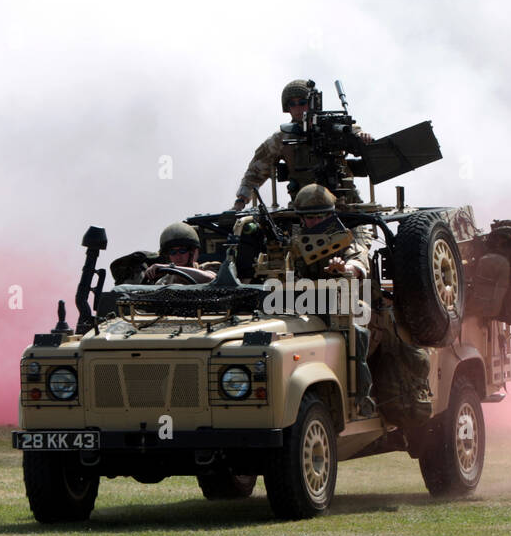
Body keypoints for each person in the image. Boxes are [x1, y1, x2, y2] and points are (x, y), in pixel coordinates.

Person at [290, 185, 376, 417]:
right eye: (310, 217)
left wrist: (344, 268)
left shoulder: (347, 239)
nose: (316, 221)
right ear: (301, 218)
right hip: (296, 308)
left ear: (332, 215)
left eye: (322, 216)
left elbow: (359, 263)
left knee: (356, 331)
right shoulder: (292, 241)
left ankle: (361, 397)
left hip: (340, 307)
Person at [232, 79, 374, 212]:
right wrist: (240, 201)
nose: (298, 108)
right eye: (292, 104)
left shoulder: (334, 127)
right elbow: (255, 173)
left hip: (346, 207)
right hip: (305, 211)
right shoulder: (281, 138)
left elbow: (354, 131)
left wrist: (362, 137)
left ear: (313, 103)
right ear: (287, 108)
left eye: (302, 102)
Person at [140, 222, 218, 285]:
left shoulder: (207, 268)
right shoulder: (164, 283)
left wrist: (170, 268)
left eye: (182, 251)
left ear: (192, 252)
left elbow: (211, 279)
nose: (178, 256)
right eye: (173, 252)